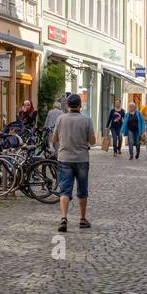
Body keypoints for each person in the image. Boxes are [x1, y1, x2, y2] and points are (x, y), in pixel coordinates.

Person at [52, 93, 96, 232]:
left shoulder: (60, 119)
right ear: (80, 105)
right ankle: (82, 219)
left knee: (64, 190)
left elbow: (54, 139)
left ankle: (64, 218)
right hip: (82, 158)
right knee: (82, 190)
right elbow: (93, 141)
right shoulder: (86, 120)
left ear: (67, 105)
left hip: (64, 158)